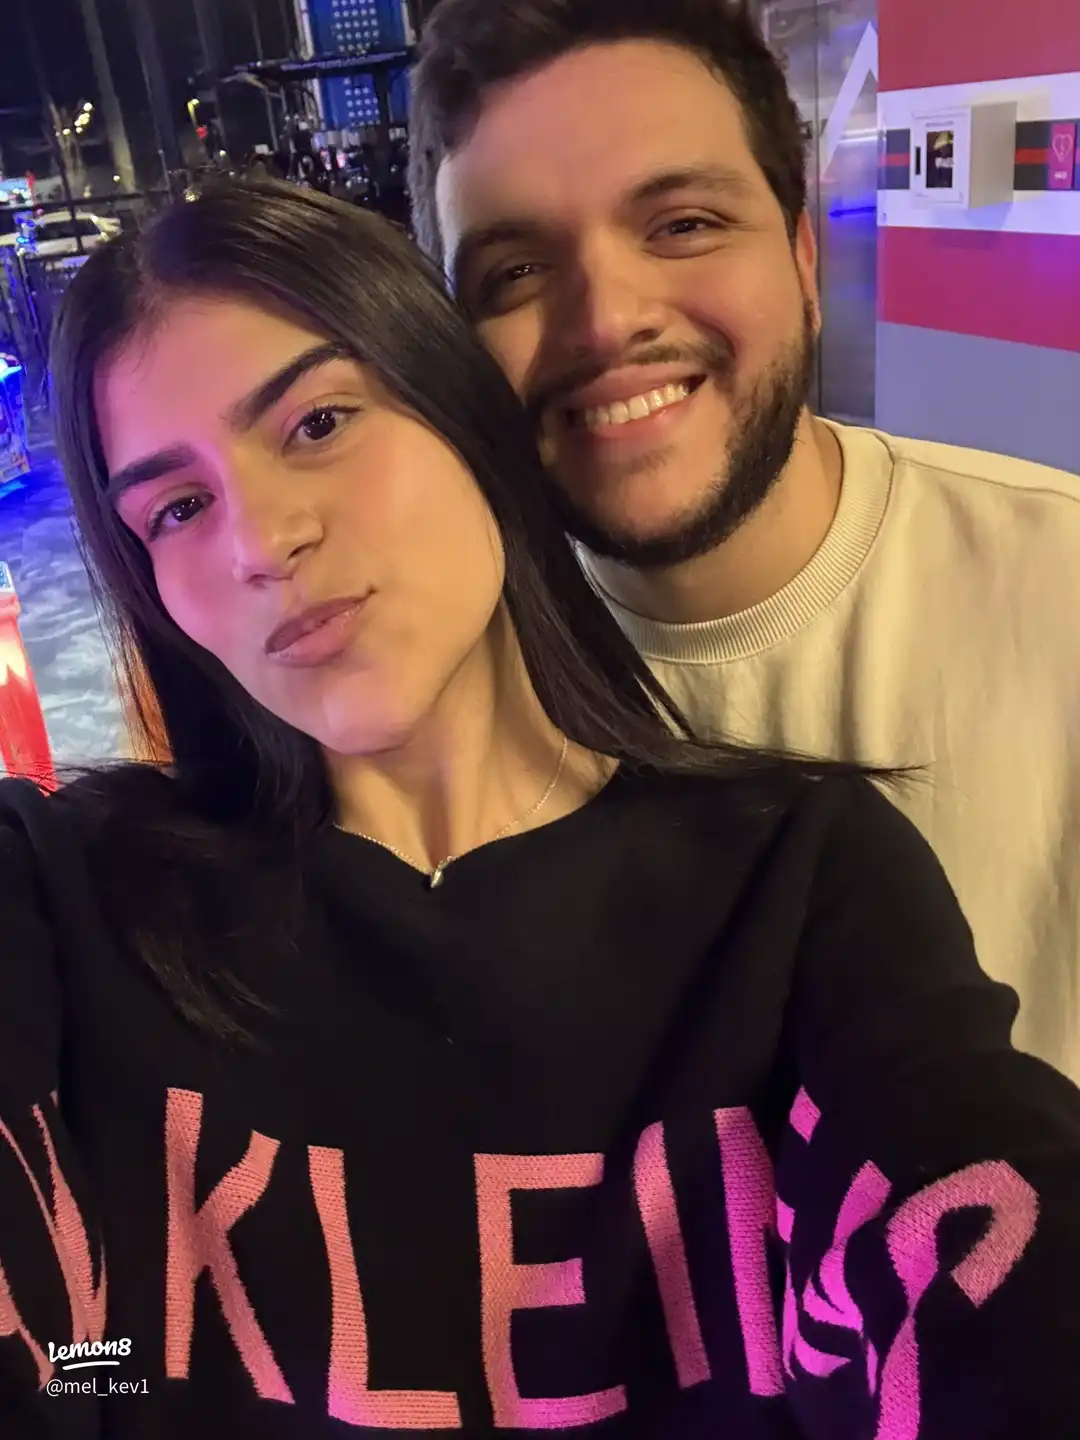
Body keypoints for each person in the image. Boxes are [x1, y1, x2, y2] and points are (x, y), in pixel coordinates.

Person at [1, 180, 1077, 1436]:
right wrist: (100, 1363)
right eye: (176, 509)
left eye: (318, 423)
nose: (260, 540)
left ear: (465, 417)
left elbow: (987, 1231)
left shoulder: (794, 889)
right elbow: (73, 1360)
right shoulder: (68, 898)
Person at [406, 0, 1080, 1081]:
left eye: (681, 225)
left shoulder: (1059, 593)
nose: (603, 321)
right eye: (517, 274)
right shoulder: (435, 692)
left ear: (806, 259)